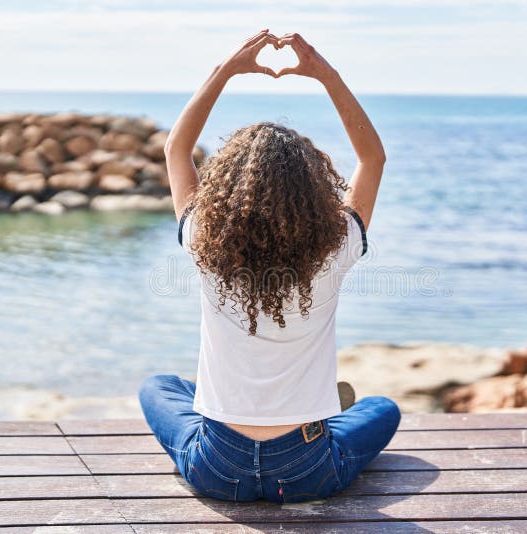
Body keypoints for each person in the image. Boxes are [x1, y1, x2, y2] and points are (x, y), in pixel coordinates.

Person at [138, 29, 400, 504]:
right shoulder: (337, 244)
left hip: (218, 466)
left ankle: (246, 407)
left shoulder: (204, 241)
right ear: (312, 189)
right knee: (382, 408)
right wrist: (326, 75)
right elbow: (372, 158)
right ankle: (318, 411)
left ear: (224, 189)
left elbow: (176, 148)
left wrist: (226, 70)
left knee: (160, 387)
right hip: (306, 470)